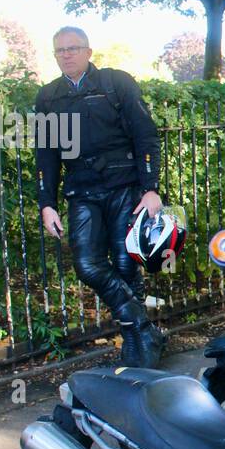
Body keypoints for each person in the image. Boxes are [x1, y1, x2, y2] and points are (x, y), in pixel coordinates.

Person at [36, 26, 165, 367]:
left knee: (126, 266)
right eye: (60, 50)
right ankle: (143, 327)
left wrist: (151, 188)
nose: (66, 54)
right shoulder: (49, 97)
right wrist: (46, 203)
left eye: (73, 48)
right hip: (83, 191)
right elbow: (46, 154)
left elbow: (145, 136)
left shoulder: (115, 83)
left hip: (125, 188)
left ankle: (138, 349)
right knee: (87, 265)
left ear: (88, 51)